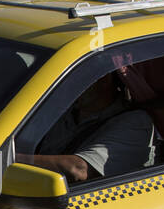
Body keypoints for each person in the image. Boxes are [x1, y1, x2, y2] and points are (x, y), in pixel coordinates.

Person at [18, 71, 154, 184]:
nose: (68, 86)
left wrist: (9, 160)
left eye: (77, 80)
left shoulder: (134, 122)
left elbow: (78, 170)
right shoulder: (62, 109)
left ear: (104, 79)